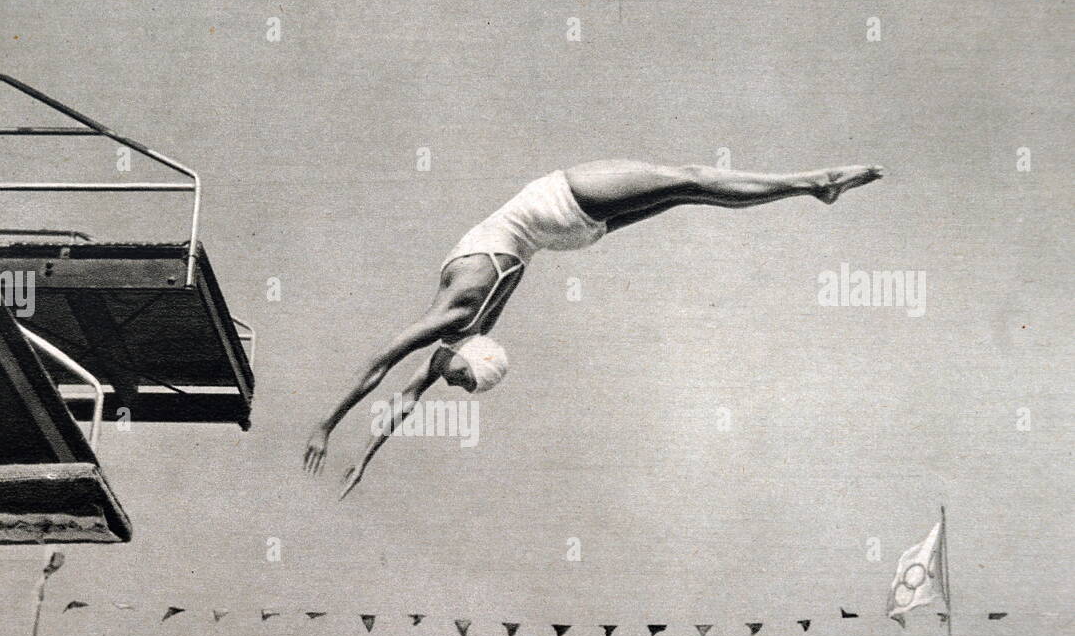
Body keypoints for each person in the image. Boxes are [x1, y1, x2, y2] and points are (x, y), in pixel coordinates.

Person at [303, 159, 883, 496]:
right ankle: (811, 186)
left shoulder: (461, 311)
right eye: (463, 385)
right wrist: (367, 457)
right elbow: (407, 396)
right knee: (688, 189)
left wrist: (327, 427)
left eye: (461, 385)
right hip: (557, 232)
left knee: (689, 181)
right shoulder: (464, 333)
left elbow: (383, 365)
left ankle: (813, 181)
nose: (451, 386)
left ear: (472, 359)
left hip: (558, 206)